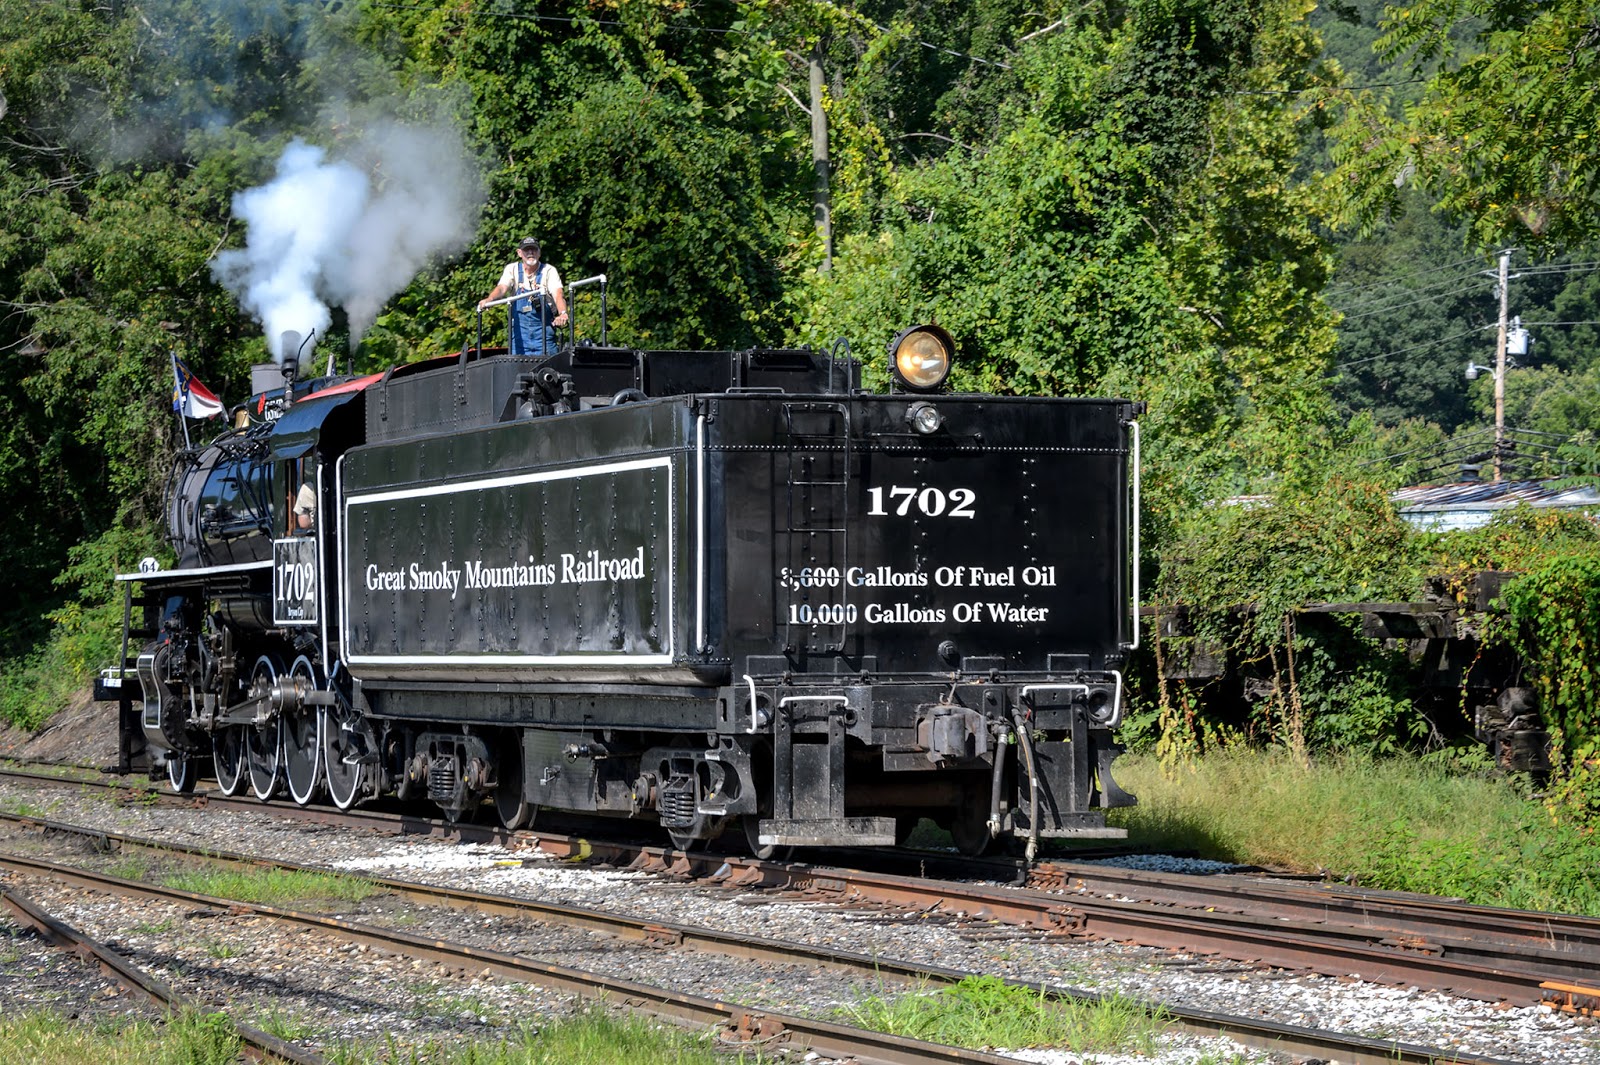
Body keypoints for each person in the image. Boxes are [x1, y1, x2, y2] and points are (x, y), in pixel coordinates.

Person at [478, 237, 569, 356]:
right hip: (519, 339)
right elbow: (502, 288)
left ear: (539, 252)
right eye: (527, 250)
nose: (531, 253)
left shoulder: (549, 271)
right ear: (519, 253)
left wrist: (562, 313)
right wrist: (490, 299)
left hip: (544, 338)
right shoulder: (512, 269)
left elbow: (558, 294)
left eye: (534, 250)